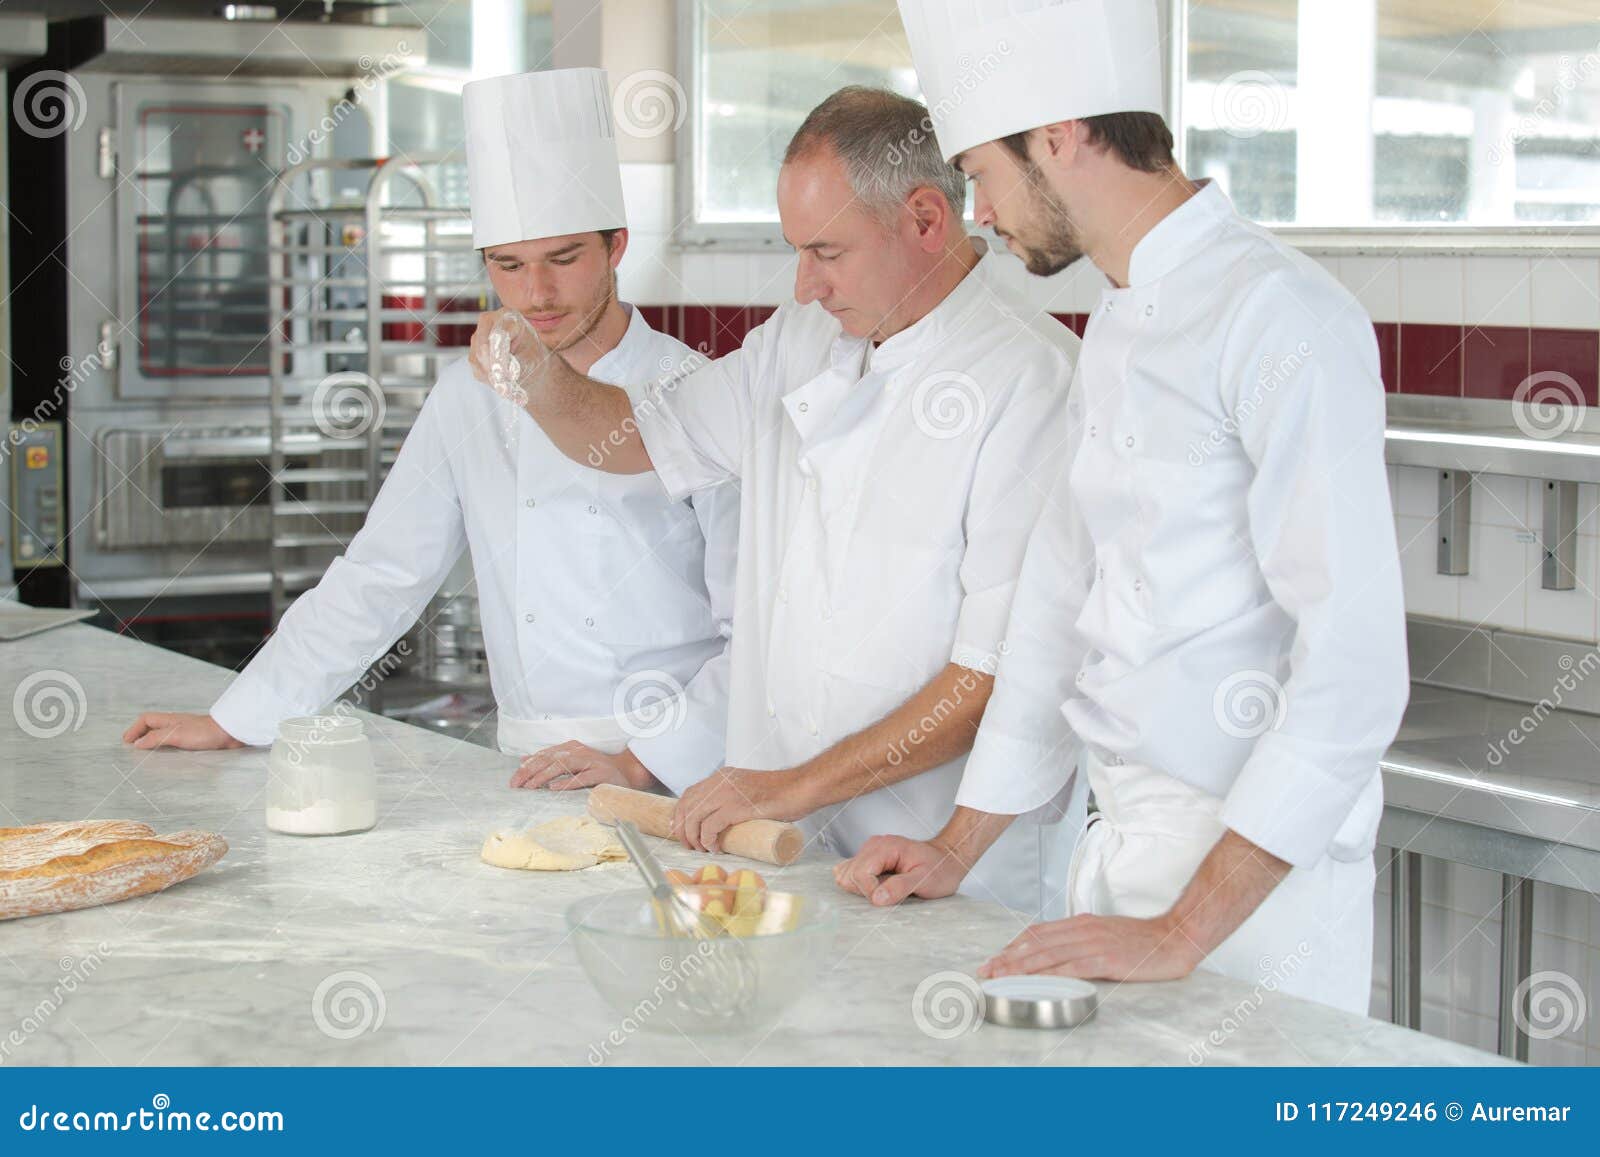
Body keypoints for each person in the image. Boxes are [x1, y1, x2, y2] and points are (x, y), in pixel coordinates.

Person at [835, 0, 1407, 1013]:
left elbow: (1354, 668)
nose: (979, 212)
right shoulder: (1112, 321)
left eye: (981, 173)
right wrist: (957, 845)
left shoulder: (1283, 315)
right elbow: (1057, 606)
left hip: (1254, 891)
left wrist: (1182, 929)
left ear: (1058, 136)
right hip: (1121, 853)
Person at [469, 87, 1081, 914]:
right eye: (797, 250)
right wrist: (539, 381)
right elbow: (642, 436)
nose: (804, 285)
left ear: (926, 220)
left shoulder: (1032, 377)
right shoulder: (802, 339)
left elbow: (994, 675)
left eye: (826, 251)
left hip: (950, 864)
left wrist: (789, 786)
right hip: (787, 843)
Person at [124, 67, 737, 799]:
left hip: (687, 774)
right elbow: (383, 574)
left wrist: (645, 763)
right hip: (532, 765)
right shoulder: (466, 395)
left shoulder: (697, 393)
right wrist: (240, 718)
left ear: (616, 246)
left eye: (563, 259)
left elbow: (759, 628)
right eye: (508, 266)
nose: (536, 294)